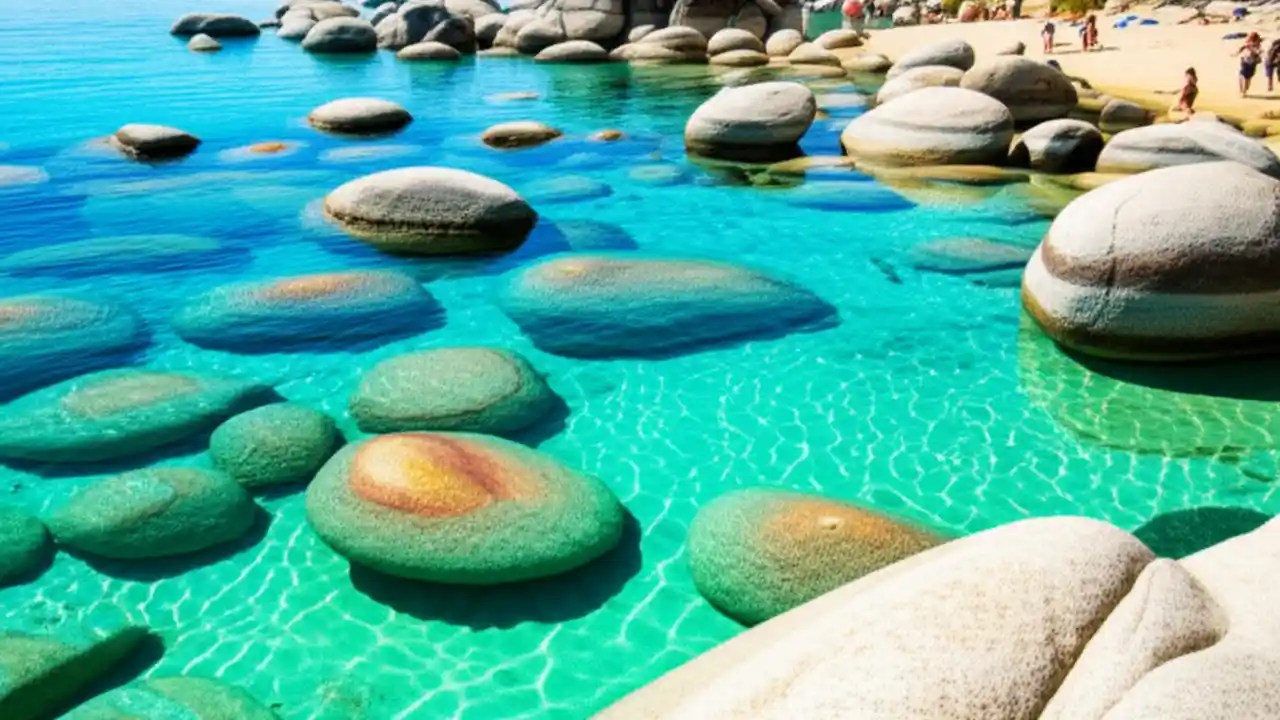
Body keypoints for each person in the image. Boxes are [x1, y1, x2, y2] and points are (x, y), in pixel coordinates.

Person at [1236, 32, 1263, 96]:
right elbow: (1242, 48)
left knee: (1246, 77)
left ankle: (1244, 90)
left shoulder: (1253, 44)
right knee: (1245, 76)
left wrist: (1237, 53)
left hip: (1250, 62)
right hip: (1247, 61)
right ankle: (1243, 91)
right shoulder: (1252, 44)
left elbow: (1256, 52)